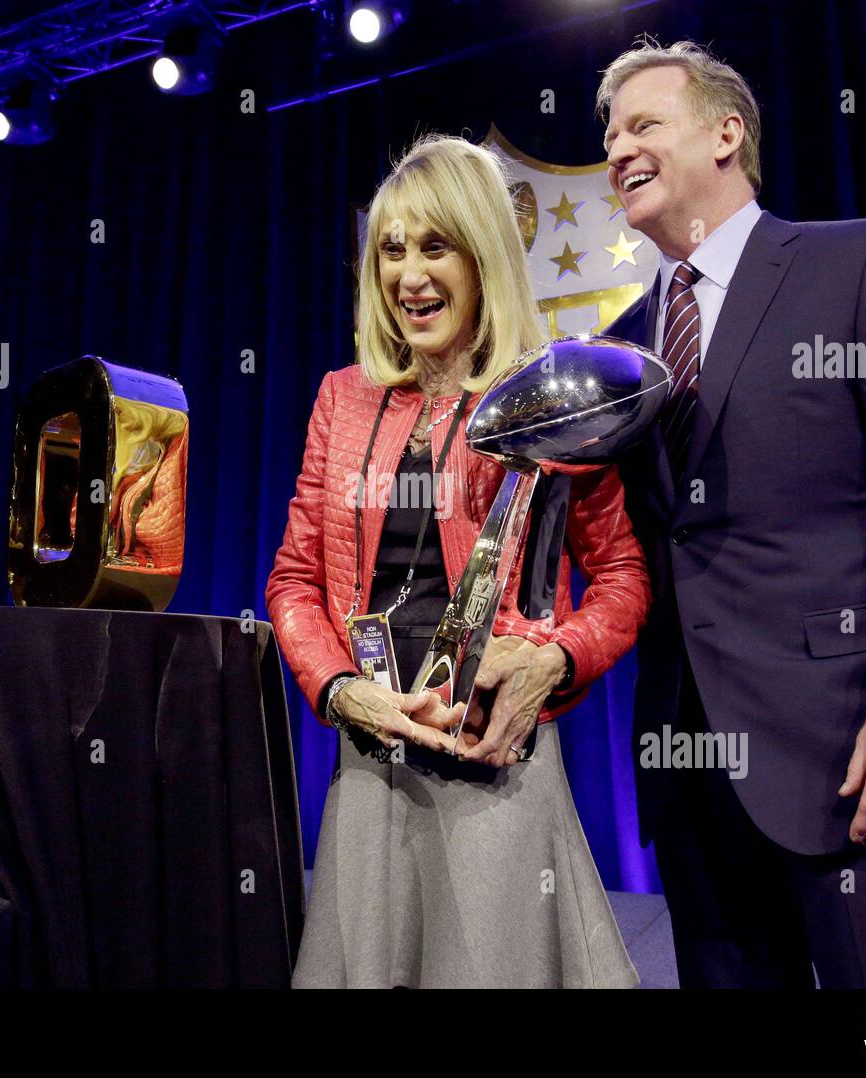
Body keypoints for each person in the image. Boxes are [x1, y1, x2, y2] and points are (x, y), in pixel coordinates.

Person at [597, 39, 866, 988]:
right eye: (610, 133)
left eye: (644, 124)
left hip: (861, 759)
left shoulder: (865, 260)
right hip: (693, 779)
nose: (618, 149)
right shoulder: (618, 351)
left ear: (727, 133)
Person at [266, 134, 650, 988]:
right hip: (373, 762)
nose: (409, 275)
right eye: (392, 250)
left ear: (482, 257)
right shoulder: (343, 396)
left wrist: (554, 658)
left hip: (492, 767)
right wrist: (339, 689)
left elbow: (621, 578)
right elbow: (293, 578)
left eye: (435, 246)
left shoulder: (551, 397)